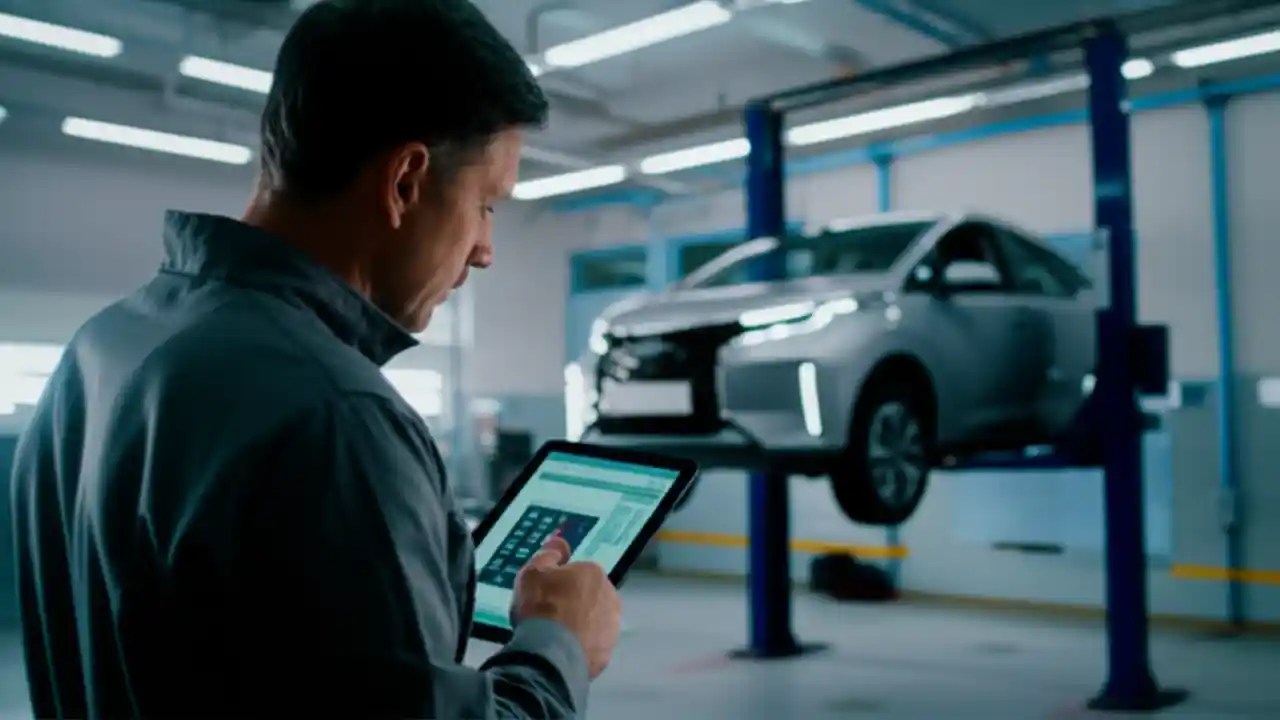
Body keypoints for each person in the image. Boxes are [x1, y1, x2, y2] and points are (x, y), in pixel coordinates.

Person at [9, 0, 621, 717]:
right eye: (486, 204)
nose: (485, 249)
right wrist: (557, 644)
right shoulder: (334, 416)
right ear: (405, 182)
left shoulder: (102, 347)